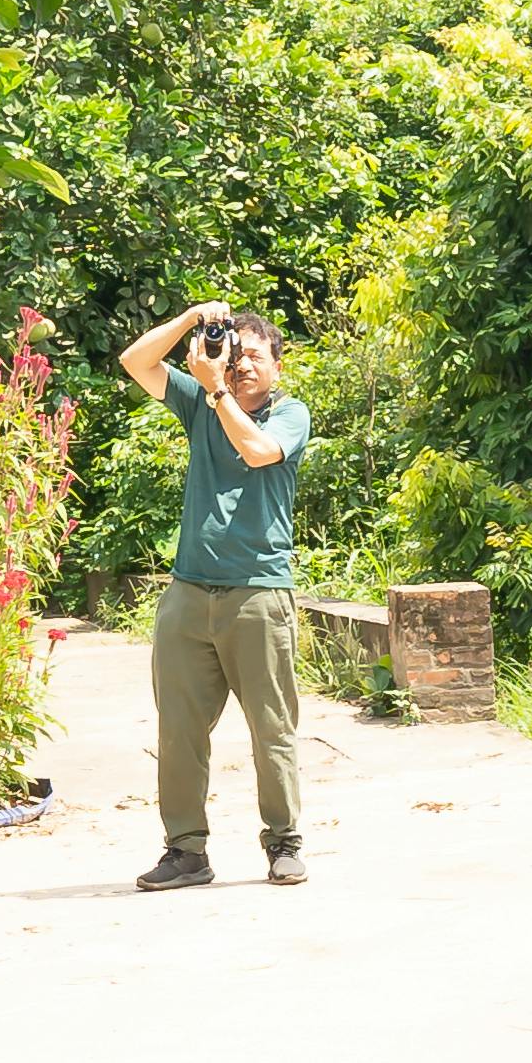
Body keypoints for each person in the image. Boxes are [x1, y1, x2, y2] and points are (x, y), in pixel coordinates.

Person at [120, 297, 310, 888]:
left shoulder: (290, 413)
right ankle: (186, 851)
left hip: (257, 593)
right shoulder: (202, 401)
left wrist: (217, 391)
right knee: (177, 728)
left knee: (270, 728)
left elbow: (256, 452)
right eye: (237, 354)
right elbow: (135, 361)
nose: (245, 364)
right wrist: (191, 322)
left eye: (256, 355)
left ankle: (283, 843)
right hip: (187, 591)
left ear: (277, 366)